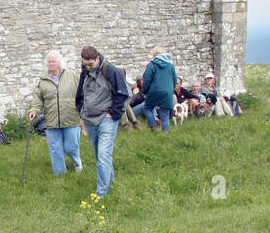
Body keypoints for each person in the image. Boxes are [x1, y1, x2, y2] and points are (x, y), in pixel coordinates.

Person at [75, 46, 130, 198]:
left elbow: (123, 94)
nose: (87, 67)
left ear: (97, 58)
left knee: (103, 155)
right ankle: (110, 181)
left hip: (107, 119)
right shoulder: (84, 72)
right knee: (99, 154)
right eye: (85, 64)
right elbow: (80, 93)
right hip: (90, 119)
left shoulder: (110, 71)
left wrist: (112, 114)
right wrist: (81, 110)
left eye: (90, 64)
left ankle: (102, 193)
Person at [29, 50, 82, 175]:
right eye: (49, 61)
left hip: (71, 117)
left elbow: (82, 92)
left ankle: (77, 162)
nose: (51, 63)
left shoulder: (72, 75)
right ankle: (60, 173)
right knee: (55, 148)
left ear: (60, 62)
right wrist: (34, 110)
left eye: (53, 61)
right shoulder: (43, 81)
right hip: (52, 120)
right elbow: (38, 98)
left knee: (71, 146)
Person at [140, 48, 178, 132]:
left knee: (148, 108)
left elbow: (147, 79)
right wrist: (171, 90)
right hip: (168, 92)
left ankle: (153, 126)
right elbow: (175, 80)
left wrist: (145, 91)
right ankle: (165, 133)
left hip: (154, 91)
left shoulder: (151, 65)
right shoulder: (170, 66)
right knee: (165, 114)